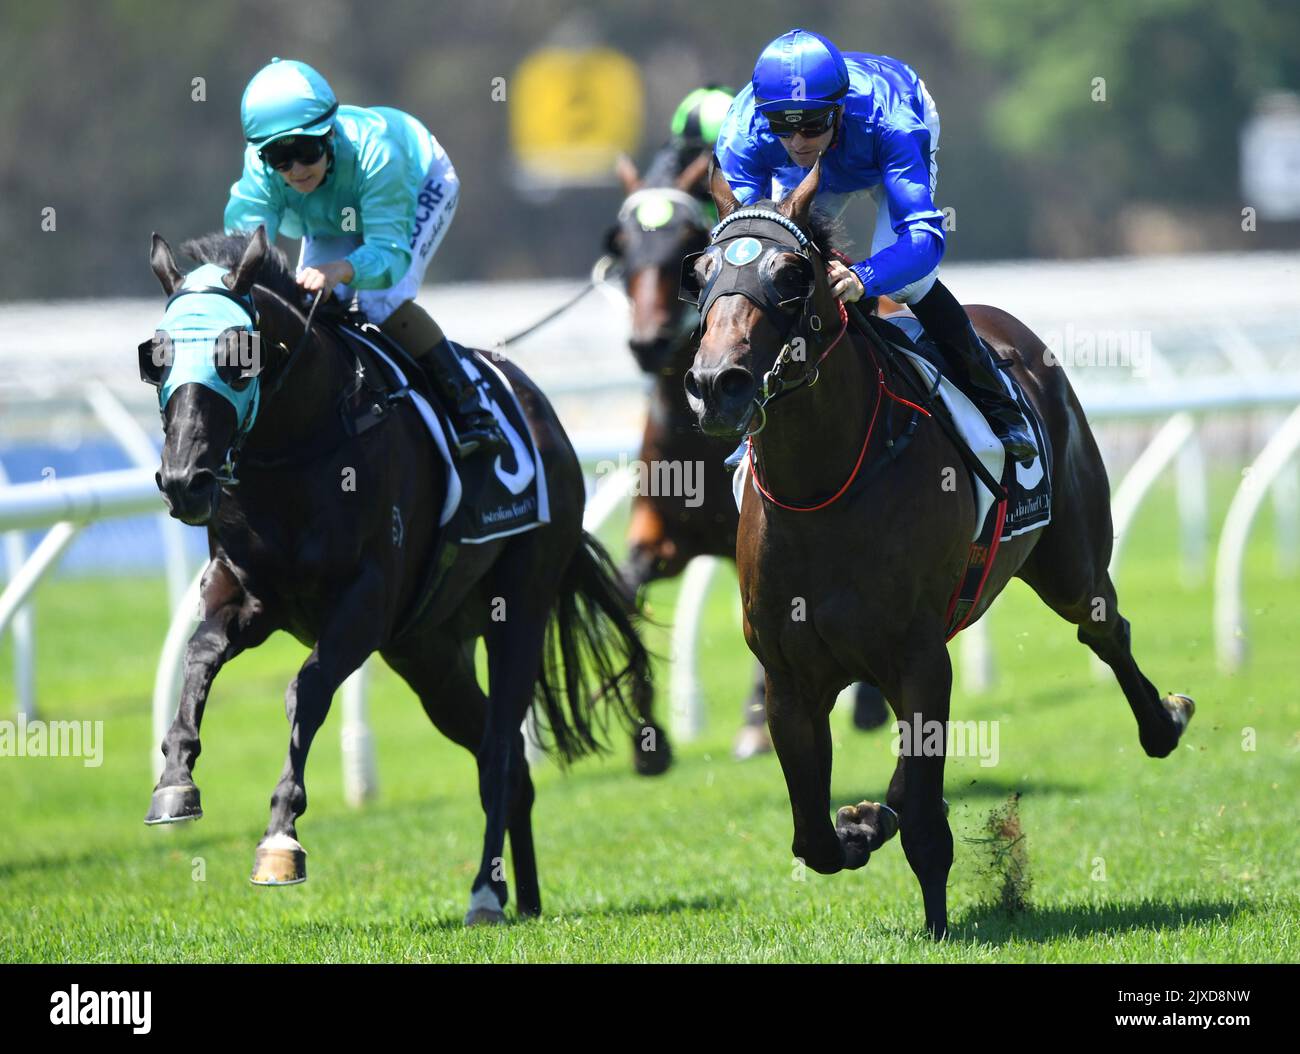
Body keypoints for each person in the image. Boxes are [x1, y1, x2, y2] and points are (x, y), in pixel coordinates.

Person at [714, 29, 1036, 464]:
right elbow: (747, 245)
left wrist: (864, 277)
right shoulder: (743, 131)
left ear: (839, 110)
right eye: (782, 127)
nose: (796, 143)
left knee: (909, 284)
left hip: (881, 143)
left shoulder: (895, 123)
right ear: (763, 117)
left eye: (811, 125)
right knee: (773, 267)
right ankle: (756, 415)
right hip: (820, 169)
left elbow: (923, 242)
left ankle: (998, 403)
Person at [224, 58, 507, 456]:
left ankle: (469, 405)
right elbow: (244, 257)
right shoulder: (260, 171)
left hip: (417, 180)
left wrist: (342, 269)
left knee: (379, 300)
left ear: (328, 135)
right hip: (334, 208)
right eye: (279, 159)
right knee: (309, 303)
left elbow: (389, 257)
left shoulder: (380, 157)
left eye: (305, 151)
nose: (295, 170)